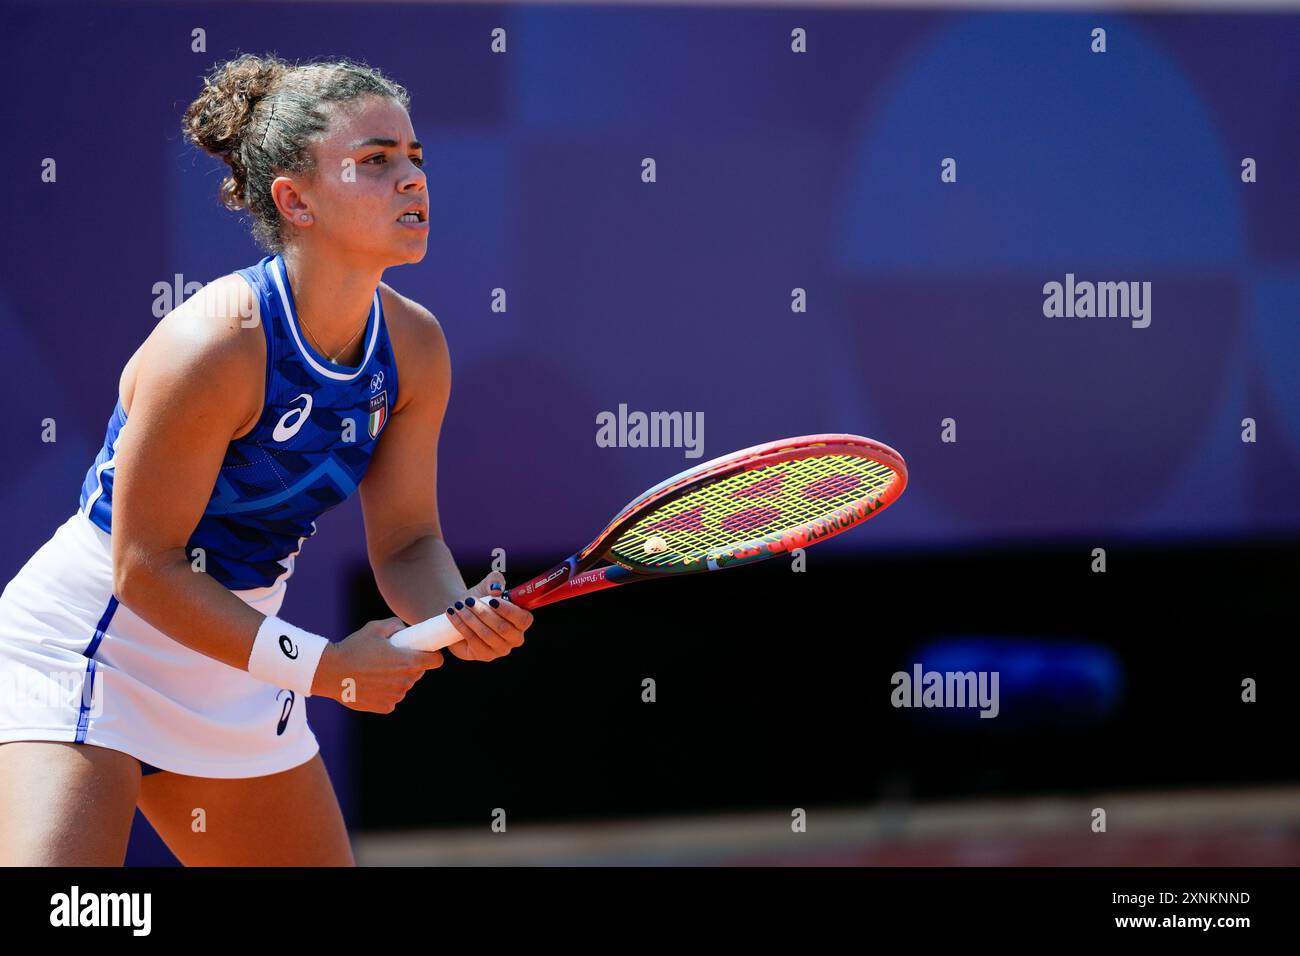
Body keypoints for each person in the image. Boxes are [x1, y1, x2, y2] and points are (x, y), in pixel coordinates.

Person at [0, 53, 532, 866]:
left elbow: (407, 545)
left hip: (237, 653)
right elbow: (145, 567)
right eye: (376, 161)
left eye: (415, 160)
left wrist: (453, 614)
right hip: (95, 641)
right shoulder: (214, 343)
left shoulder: (416, 347)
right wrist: (324, 669)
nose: (412, 181)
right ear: (295, 200)